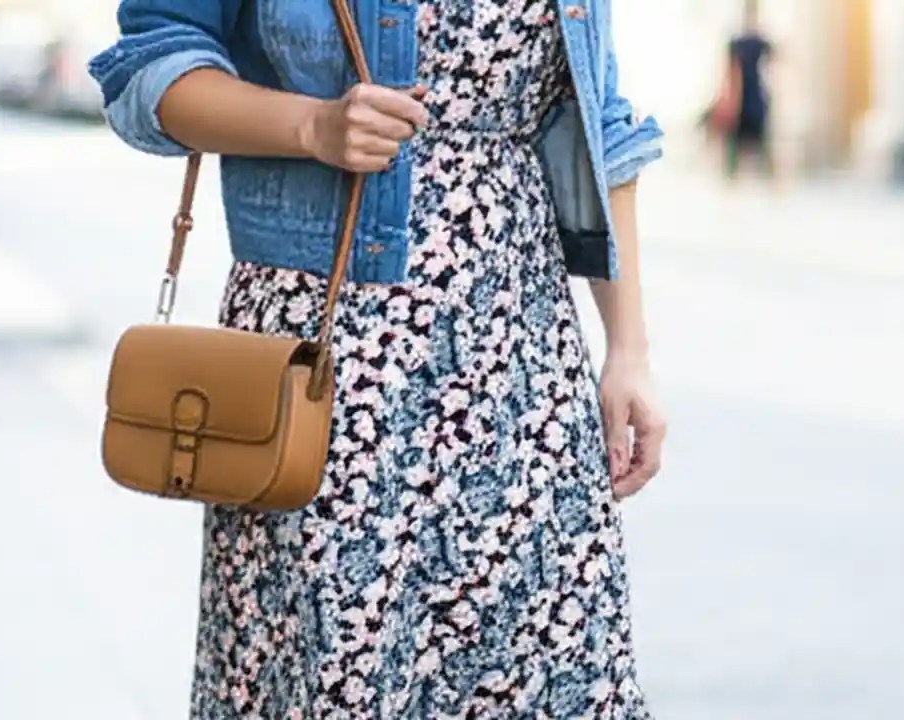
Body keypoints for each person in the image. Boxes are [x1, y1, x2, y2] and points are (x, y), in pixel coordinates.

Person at [90, 1, 667, 716]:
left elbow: (597, 118)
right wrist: (311, 127)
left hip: (523, 357)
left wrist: (629, 351)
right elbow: (151, 66)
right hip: (328, 357)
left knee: (546, 668)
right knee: (337, 671)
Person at [724, 1, 777, 181]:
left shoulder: (761, 42)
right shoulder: (739, 43)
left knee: (759, 144)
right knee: (741, 145)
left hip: (754, 96)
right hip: (745, 98)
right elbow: (731, 73)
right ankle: (737, 182)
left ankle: (755, 180)